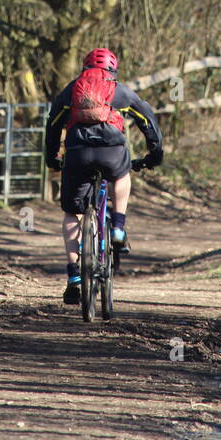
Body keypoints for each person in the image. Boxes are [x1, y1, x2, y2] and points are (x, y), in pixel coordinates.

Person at [44, 48, 163, 305]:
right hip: (112, 152)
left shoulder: (72, 89)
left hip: (77, 154)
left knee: (72, 213)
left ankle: (74, 275)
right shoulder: (119, 90)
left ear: (85, 67)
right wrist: (155, 153)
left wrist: (51, 157)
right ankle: (118, 228)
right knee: (121, 176)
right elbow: (148, 120)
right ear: (113, 69)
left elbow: (53, 123)